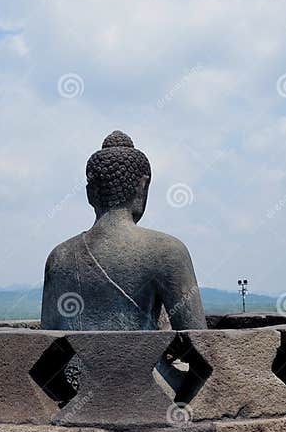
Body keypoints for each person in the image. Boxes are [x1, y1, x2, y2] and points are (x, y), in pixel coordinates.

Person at [40, 131, 207, 331]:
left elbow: (49, 338)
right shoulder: (168, 251)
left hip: (74, 363)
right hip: (146, 363)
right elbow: (197, 340)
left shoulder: (59, 257)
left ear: (90, 193)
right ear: (142, 188)